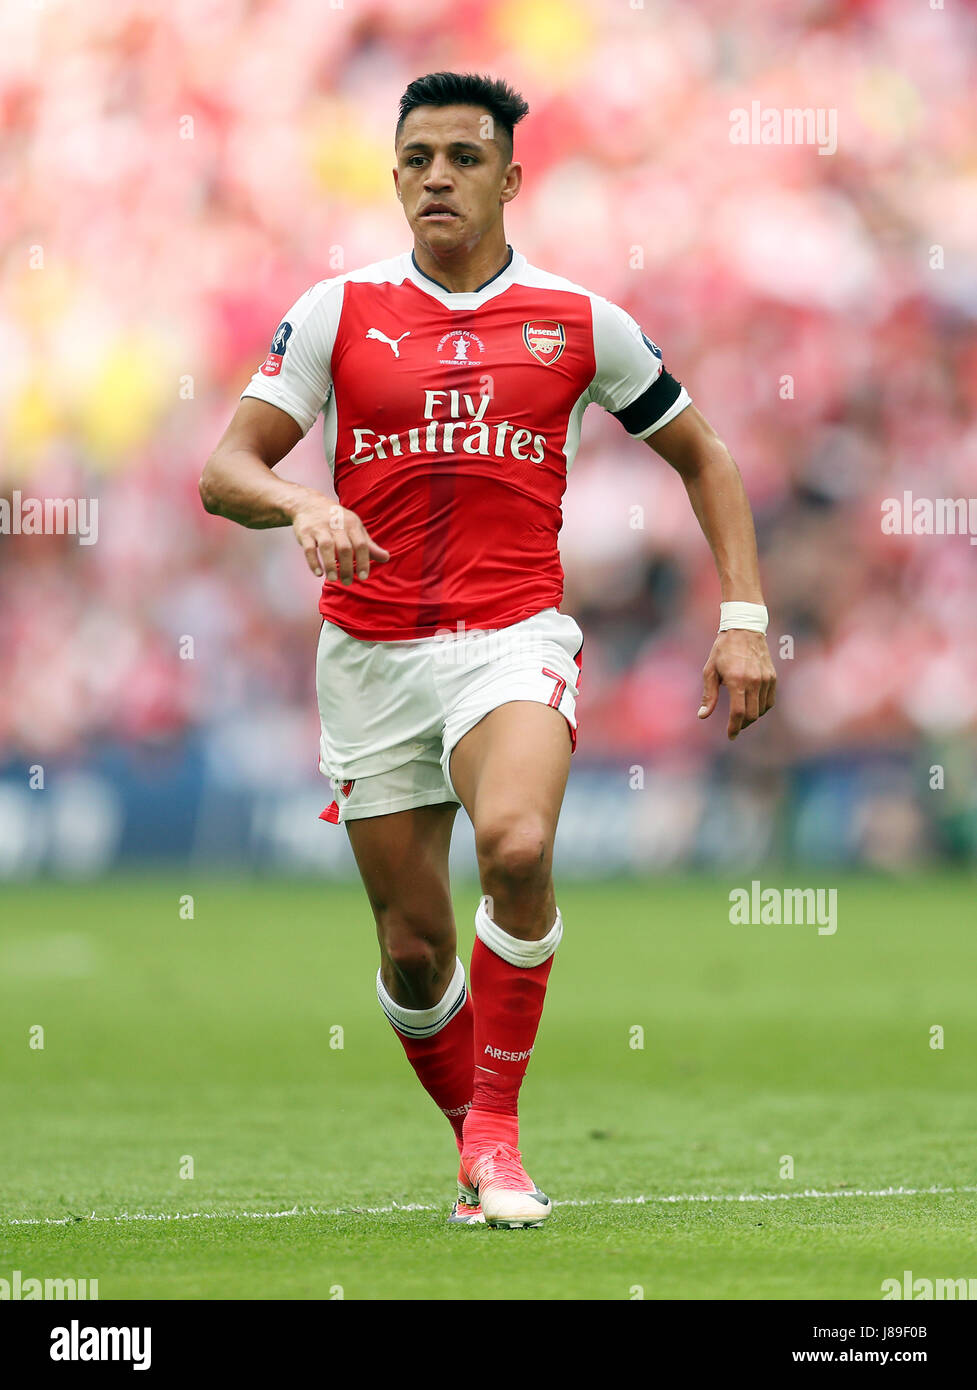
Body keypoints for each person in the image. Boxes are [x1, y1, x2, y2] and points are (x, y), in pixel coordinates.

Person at [199, 71, 776, 1229]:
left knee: (515, 845)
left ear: (510, 178)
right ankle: (477, 1151)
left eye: (462, 158)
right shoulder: (335, 313)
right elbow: (224, 469)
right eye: (415, 159)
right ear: (394, 175)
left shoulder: (576, 319)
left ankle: (498, 1138)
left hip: (511, 636)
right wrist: (298, 505)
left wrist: (744, 617)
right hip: (369, 659)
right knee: (413, 951)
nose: (436, 178)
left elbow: (702, 454)